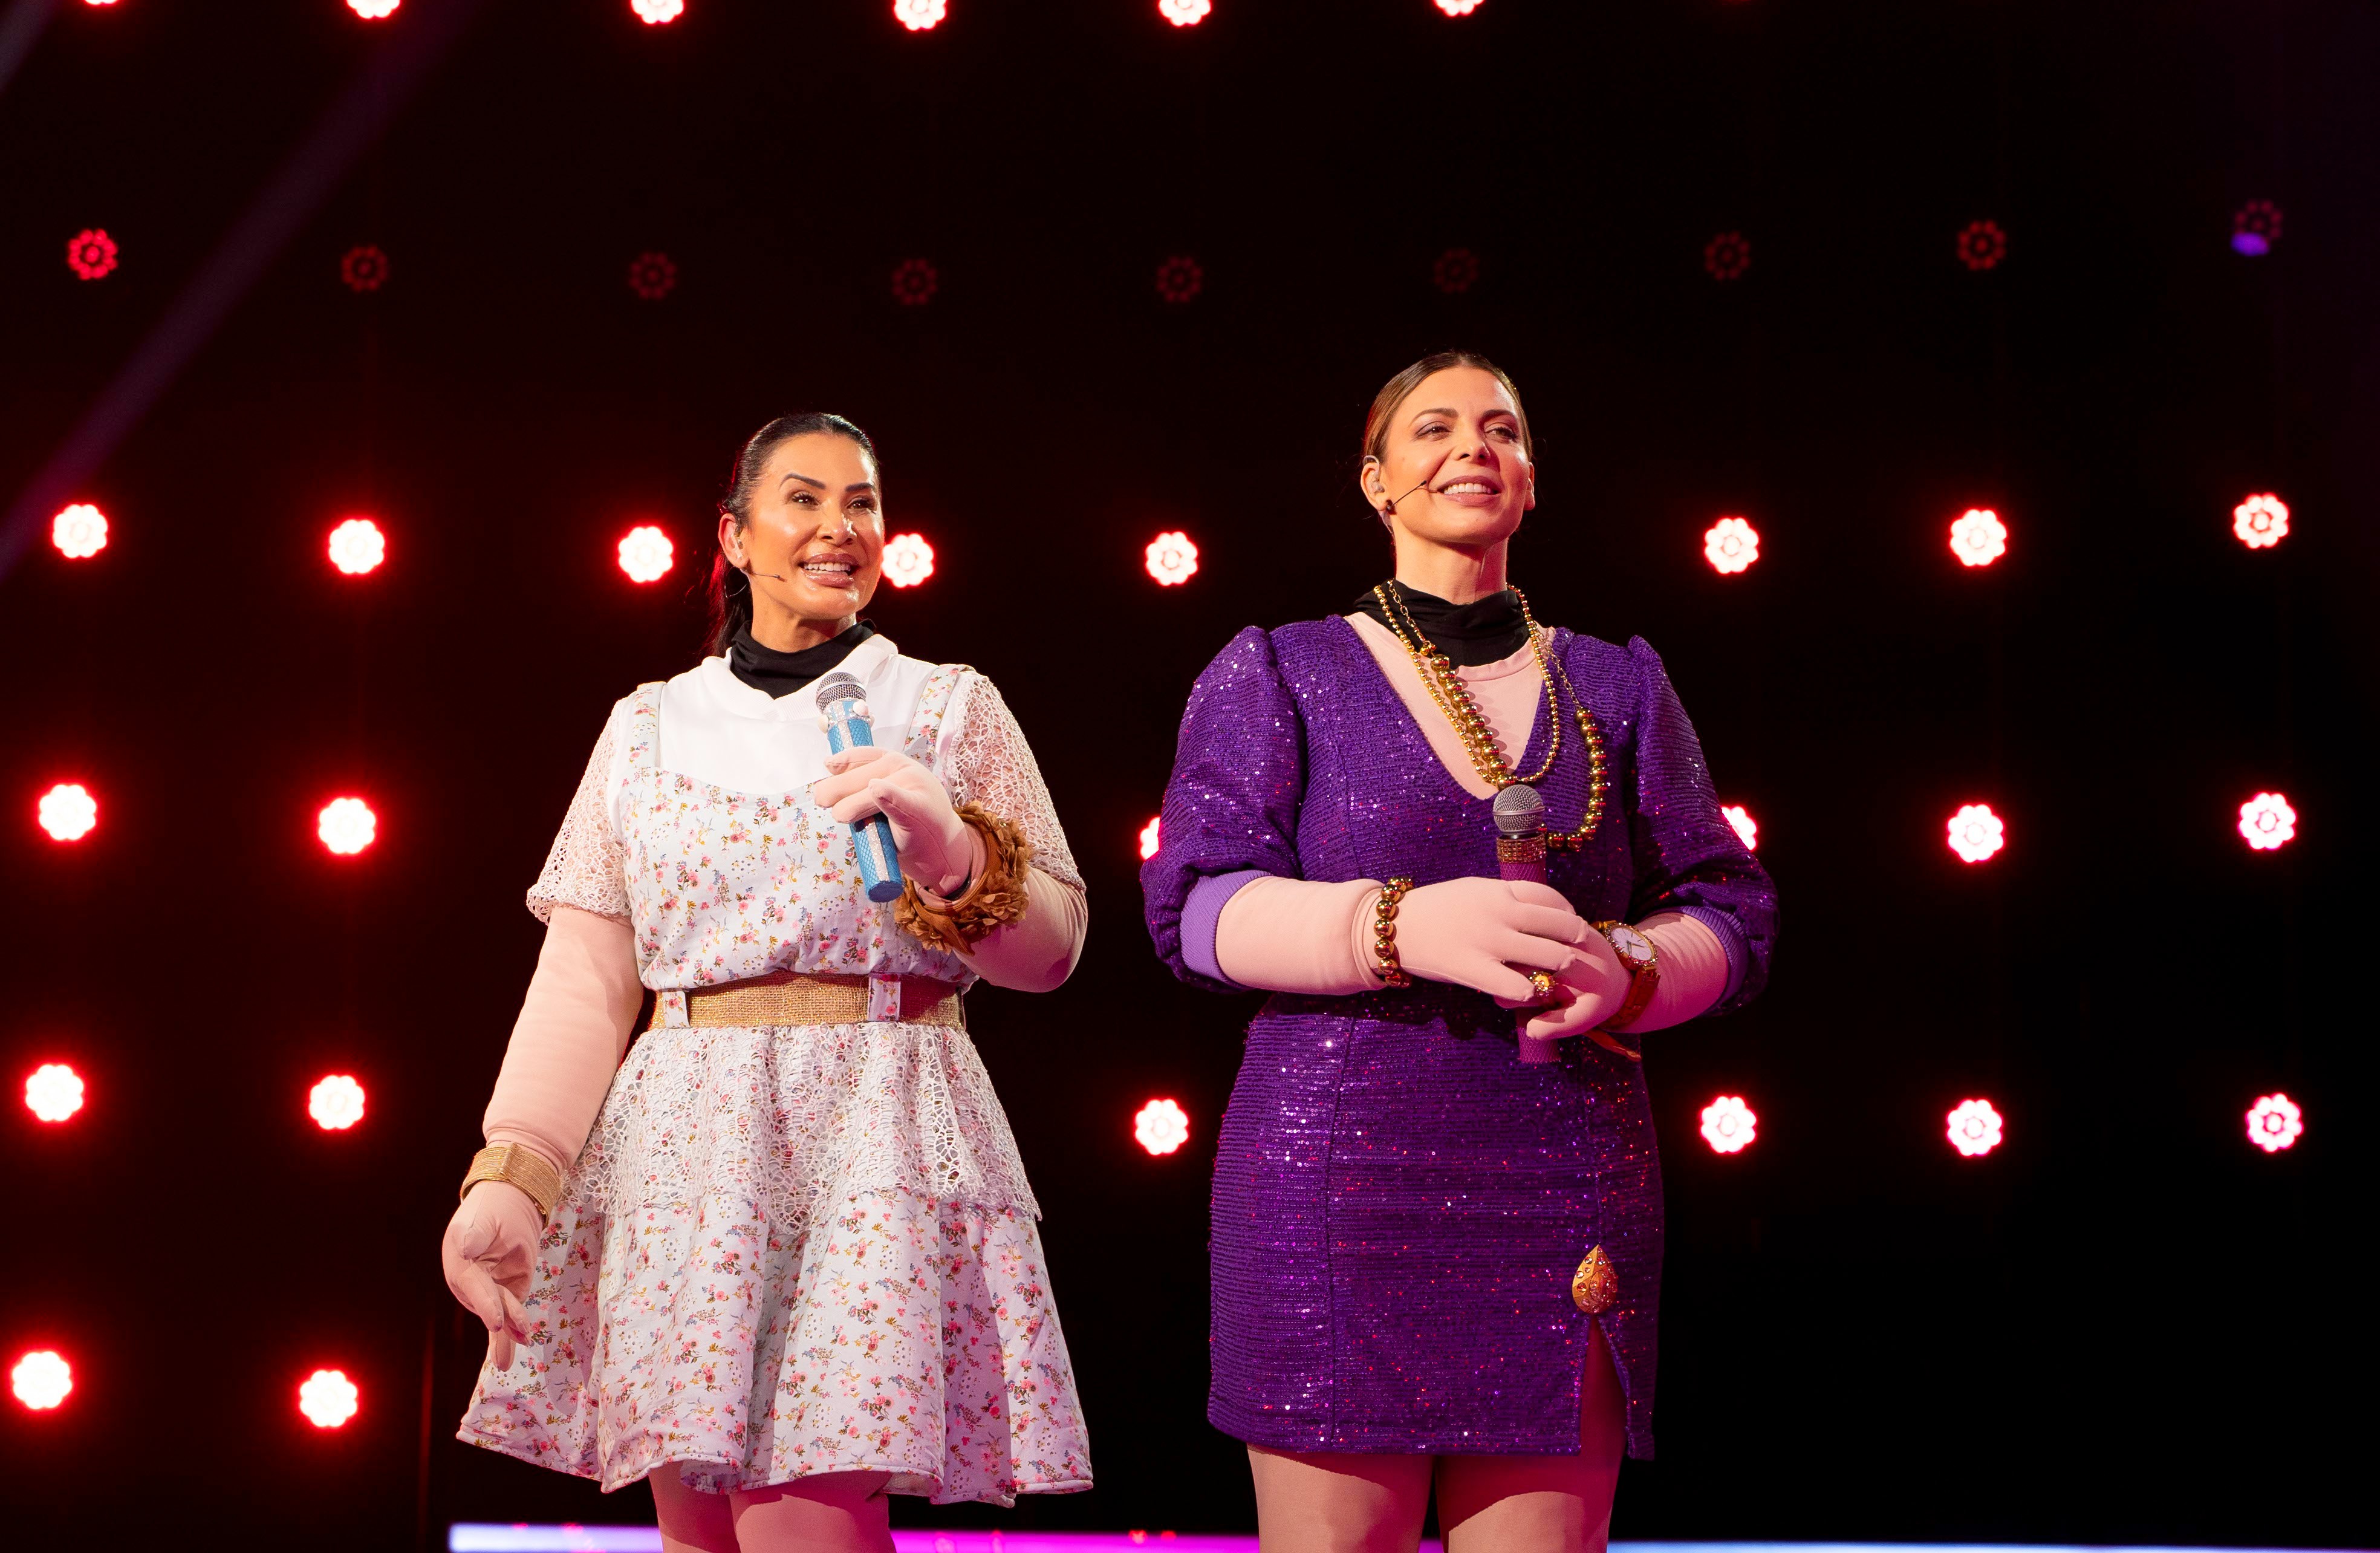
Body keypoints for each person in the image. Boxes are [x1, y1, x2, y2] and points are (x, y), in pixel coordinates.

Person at [1142, 353, 1775, 1553]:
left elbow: (1733, 910)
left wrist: (1628, 969)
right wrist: (1393, 927)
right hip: (1334, 1177)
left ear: (1532, 483)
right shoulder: (1280, 668)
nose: (1473, 447)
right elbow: (1193, 907)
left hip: (1561, 1176)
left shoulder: (1617, 682)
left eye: (1502, 430)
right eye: (1433, 428)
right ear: (1376, 481)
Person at [443, 412, 1093, 1553]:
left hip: (874, 1127)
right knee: (705, 1532)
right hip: (687, 1142)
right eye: (804, 499)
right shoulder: (648, 725)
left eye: (863, 504)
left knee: (809, 1521)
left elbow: (1053, 948)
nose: (839, 528)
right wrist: (512, 1177)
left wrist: (954, 848)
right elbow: (588, 977)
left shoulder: (946, 707)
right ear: (737, 538)